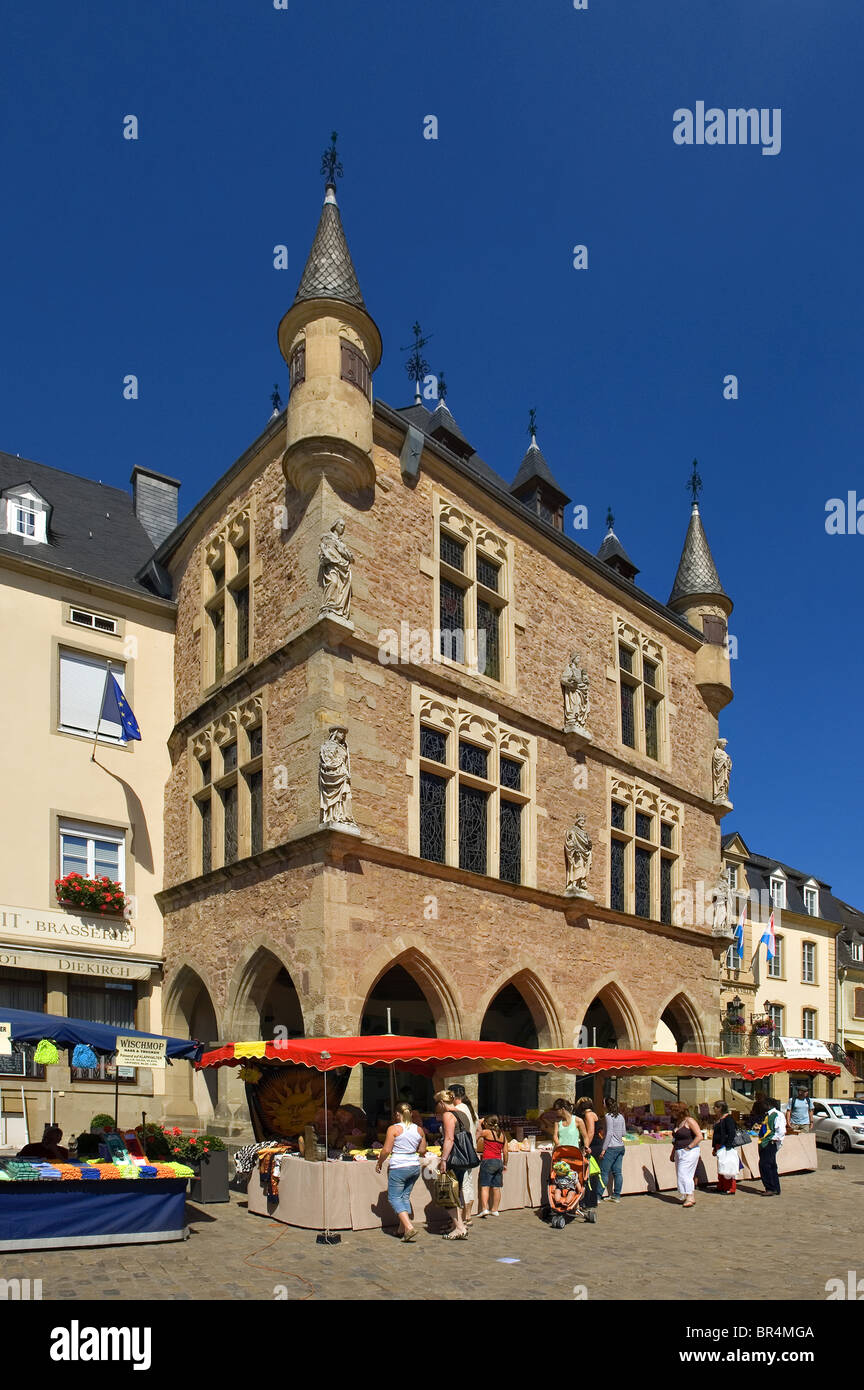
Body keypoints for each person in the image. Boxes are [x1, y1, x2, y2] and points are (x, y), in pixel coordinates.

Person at [376, 1102, 426, 1241]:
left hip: (399, 1165)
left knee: (394, 1197)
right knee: (404, 1196)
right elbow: (422, 1150)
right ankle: (401, 1229)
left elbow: (386, 1150)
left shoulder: (394, 1129)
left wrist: (380, 1162)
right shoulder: (419, 1130)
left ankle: (409, 1227)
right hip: (414, 1166)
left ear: (397, 1114)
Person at [434, 1090, 472, 1239]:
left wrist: (443, 1159)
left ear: (442, 1103)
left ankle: (459, 1227)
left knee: (448, 1193)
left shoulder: (448, 1115)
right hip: (463, 1159)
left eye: (437, 1103)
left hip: (453, 1159)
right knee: (457, 1191)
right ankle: (455, 1224)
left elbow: (449, 1139)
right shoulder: (462, 1113)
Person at [449, 1083, 481, 1226]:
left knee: (464, 1185)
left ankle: (466, 1216)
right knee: (468, 1184)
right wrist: (473, 1141)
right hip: (471, 1150)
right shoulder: (471, 1109)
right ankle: (468, 1215)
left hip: (462, 1151)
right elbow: (479, 1130)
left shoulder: (458, 1109)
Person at [670, 1105, 703, 1207]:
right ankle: (687, 1194)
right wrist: (672, 1153)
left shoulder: (690, 1121)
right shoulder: (678, 1122)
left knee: (684, 1173)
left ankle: (690, 1196)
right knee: (681, 1174)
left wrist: (689, 1147)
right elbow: (676, 1140)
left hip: (689, 1151)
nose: (671, 1114)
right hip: (679, 1151)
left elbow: (699, 1136)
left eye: (673, 1111)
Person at [575, 1097, 603, 1215]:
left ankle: (588, 1201)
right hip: (596, 1145)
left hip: (593, 1146)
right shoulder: (594, 1114)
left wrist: (586, 1147)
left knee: (589, 1173)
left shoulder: (588, 1115)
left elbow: (590, 1132)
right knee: (592, 1173)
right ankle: (591, 1200)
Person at [477, 1114, 508, 1216]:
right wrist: (505, 1164)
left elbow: (476, 1135)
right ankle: (495, 1209)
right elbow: (506, 1152)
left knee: (485, 1186)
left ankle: (484, 1208)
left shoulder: (486, 1132)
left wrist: (479, 1123)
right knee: (496, 1187)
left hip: (488, 1160)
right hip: (499, 1161)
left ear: (486, 1123)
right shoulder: (502, 1135)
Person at [757, 1097, 786, 1196]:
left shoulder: (777, 1115)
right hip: (766, 1142)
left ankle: (770, 1188)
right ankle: (775, 1188)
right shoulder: (768, 1115)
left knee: (765, 1165)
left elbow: (781, 1131)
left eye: (763, 1104)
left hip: (770, 1143)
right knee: (771, 1165)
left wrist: (772, 1140)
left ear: (768, 1105)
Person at [599, 1098, 626, 1202]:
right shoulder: (621, 1116)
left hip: (611, 1147)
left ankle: (598, 1195)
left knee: (604, 1172)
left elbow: (609, 1133)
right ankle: (617, 1195)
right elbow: (624, 1133)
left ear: (606, 1105)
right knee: (618, 1172)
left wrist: (603, 1149)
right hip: (620, 1146)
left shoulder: (608, 1116)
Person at [711, 1101, 739, 1195]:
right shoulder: (719, 1119)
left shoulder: (728, 1119)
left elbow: (731, 1132)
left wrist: (727, 1145)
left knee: (728, 1167)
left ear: (720, 1108)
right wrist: (714, 1147)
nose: (714, 1109)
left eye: (715, 1107)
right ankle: (721, 1186)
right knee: (721, 1166)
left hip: (726, 1147)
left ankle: (730, 1188)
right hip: (719, 1146)